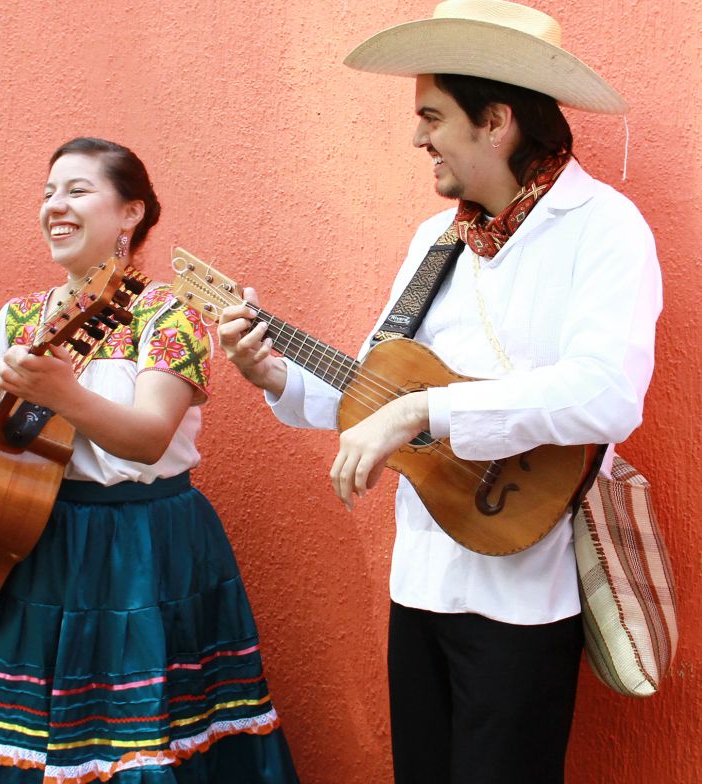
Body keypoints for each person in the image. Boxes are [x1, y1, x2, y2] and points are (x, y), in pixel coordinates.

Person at [218, 2, 660, 782]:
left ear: (495, 121)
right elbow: (372, 388)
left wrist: (430, 410)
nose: (416, 137)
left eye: (431, 115)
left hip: (522, 593)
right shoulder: (435, 243)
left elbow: (607, 392)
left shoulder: (605, 227)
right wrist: (274, 374)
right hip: (422, 585)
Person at [0, 137, 299, 783]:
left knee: (147, 735)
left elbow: (149, 437)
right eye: (47, 193)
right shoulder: (21, 319)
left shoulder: (168, 313)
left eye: (77, 190)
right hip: (37, 544)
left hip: (146, 547)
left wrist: (63, 393)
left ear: (131, 214)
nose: (55, 206)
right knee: (43, 736)